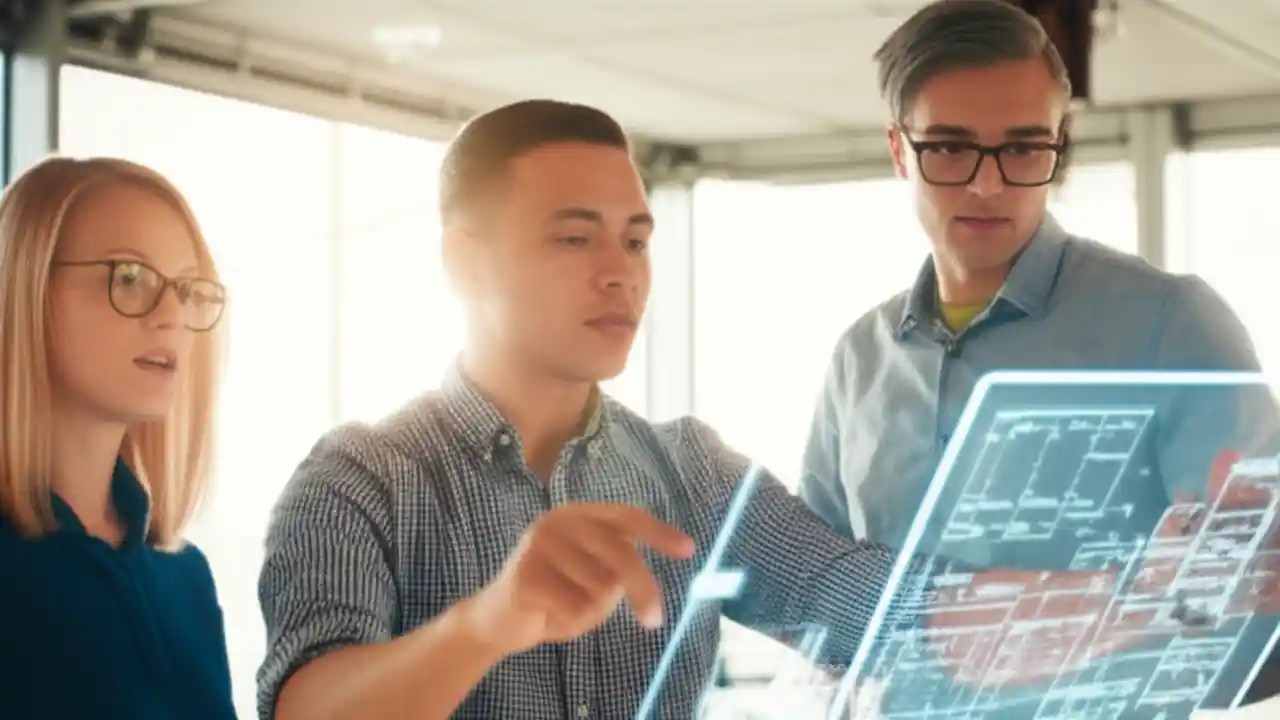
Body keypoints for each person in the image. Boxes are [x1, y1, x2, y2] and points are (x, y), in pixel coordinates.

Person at [255, 99, 931, 720]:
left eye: (635, 242)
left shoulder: (692, 473)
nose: (620, 273)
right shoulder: (361, 479)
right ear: (464, 264)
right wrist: (488, 622)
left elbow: (863, 604)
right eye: (575, 239)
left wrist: (991, 604)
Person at [797, 0, 1280, 706]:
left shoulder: (1170, 326)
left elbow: (1255, 623)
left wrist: (1176, 601)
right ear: (900, 150)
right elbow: (816, 595)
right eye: (950, 148)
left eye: (1023, 148)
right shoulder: (858, 362)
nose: (987, 184)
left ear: (1059, 143)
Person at [0, 157, 232, 718]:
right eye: (129, 277)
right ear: (26, 285)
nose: (172, 316)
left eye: (187, 290)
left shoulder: (186, 579)